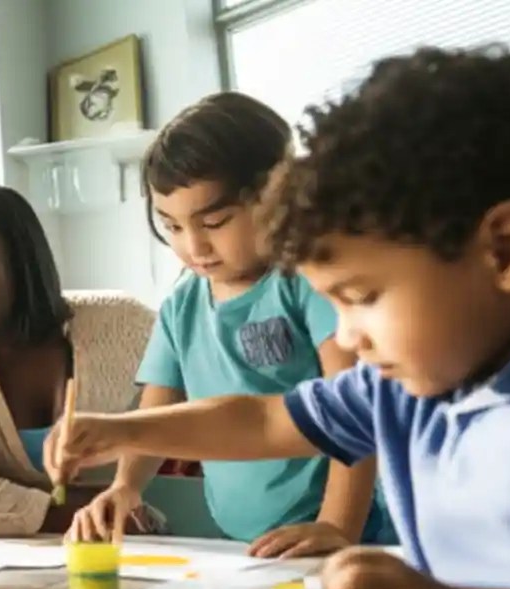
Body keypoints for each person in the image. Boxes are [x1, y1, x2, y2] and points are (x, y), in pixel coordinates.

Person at [46, 46, 510, 589]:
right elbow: (260, 420)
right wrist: (119, 432)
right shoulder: (402, 389)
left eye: (362, 295)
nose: (348, 334)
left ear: (506, 249)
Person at [71, 92, 393, 558]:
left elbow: (353, 410)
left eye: (215, 221)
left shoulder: (306, 281)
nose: (194, 246)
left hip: (343, 538)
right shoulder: (181, 305)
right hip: (245, 544)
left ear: (275, 197)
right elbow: (155, 415)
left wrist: (337, 525)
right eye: (173, 227)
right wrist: (125, 486)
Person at [0, 183, 163, 536]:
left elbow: (204, 396)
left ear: (21, 256)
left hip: (152, 553)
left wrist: (28, 504)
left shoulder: (124, 322)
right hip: (31, 569)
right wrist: (111, 508)